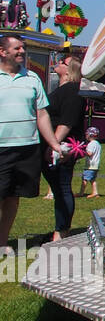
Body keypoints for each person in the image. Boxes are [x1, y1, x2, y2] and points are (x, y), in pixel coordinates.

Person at [0, 36, 66, 257]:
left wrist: (54, 143)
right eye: (16, 48)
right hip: (1, 147)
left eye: (23, 47)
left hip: (27, 147)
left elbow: (42, 114)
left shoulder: (32, 78)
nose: (22, 51)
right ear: (2, 52)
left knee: (12, 196)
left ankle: (2, 243)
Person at [43, 54, 87, 241]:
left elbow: (67, 121)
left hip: (62, 146)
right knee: (58, 186)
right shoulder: (64, 89)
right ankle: (60, 229)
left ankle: (61, 231)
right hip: (55, 144)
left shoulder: (72, 91)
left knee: (62, 187)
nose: (58, 63)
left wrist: (54, 145)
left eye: (63, 62)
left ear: (70, 70)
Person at [79, 126, 102, 198]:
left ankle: (81, 193)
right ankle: (95, 192)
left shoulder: (91, 144)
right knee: (92, 180)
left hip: (90, 166)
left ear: (91, 135)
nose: (86, 135)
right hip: (95, 165)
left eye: (87, 134)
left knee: (84, 179)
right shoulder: (97, 144)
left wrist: (81, 151)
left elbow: (90, 153)